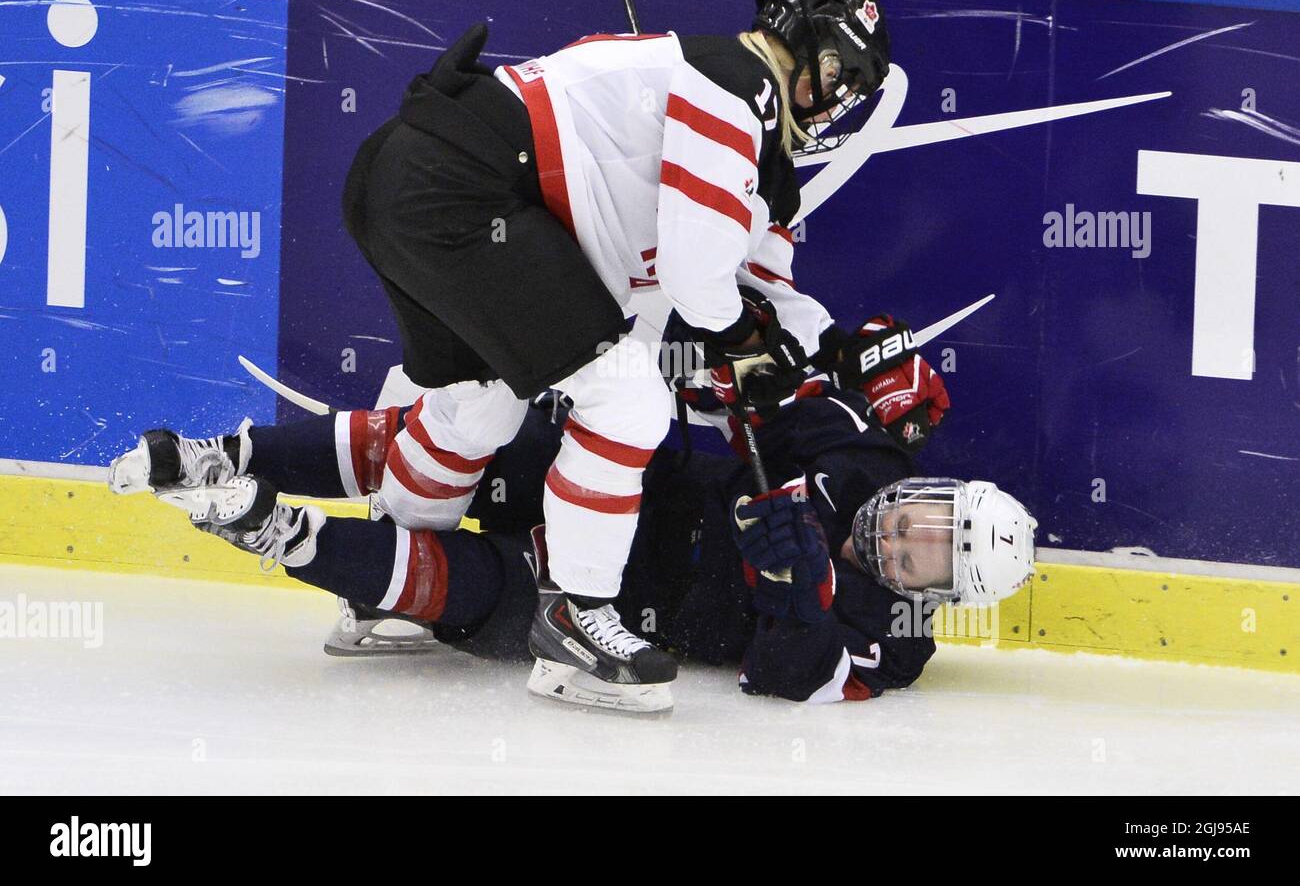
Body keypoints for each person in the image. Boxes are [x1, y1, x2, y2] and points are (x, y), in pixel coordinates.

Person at [298, 0, 894, 704]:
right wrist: (741, 336)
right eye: (833, 75)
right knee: (628, 405)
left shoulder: (690, 130)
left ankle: (384, 595)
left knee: (481, 405)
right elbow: (697, 272)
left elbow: (679, 299)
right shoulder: (739, 84)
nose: (830, 101)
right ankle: (574, 623)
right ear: (803, 45)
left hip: (405, 177)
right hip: (462, 191)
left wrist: (765, 344)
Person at [106, 321, 1036, 711]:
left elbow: (784, 677)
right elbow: (780, 393)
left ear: (934, 593)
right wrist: (733, 366)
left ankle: (274, 531)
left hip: (619, 611)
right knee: (462, 443)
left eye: (920, 559)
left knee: (465, 592)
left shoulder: (893, 642)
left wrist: (795, 590)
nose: (901, 537)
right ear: (931, 487)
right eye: (924, 516)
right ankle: (226, 457)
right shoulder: (859, 451)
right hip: (622, 486)